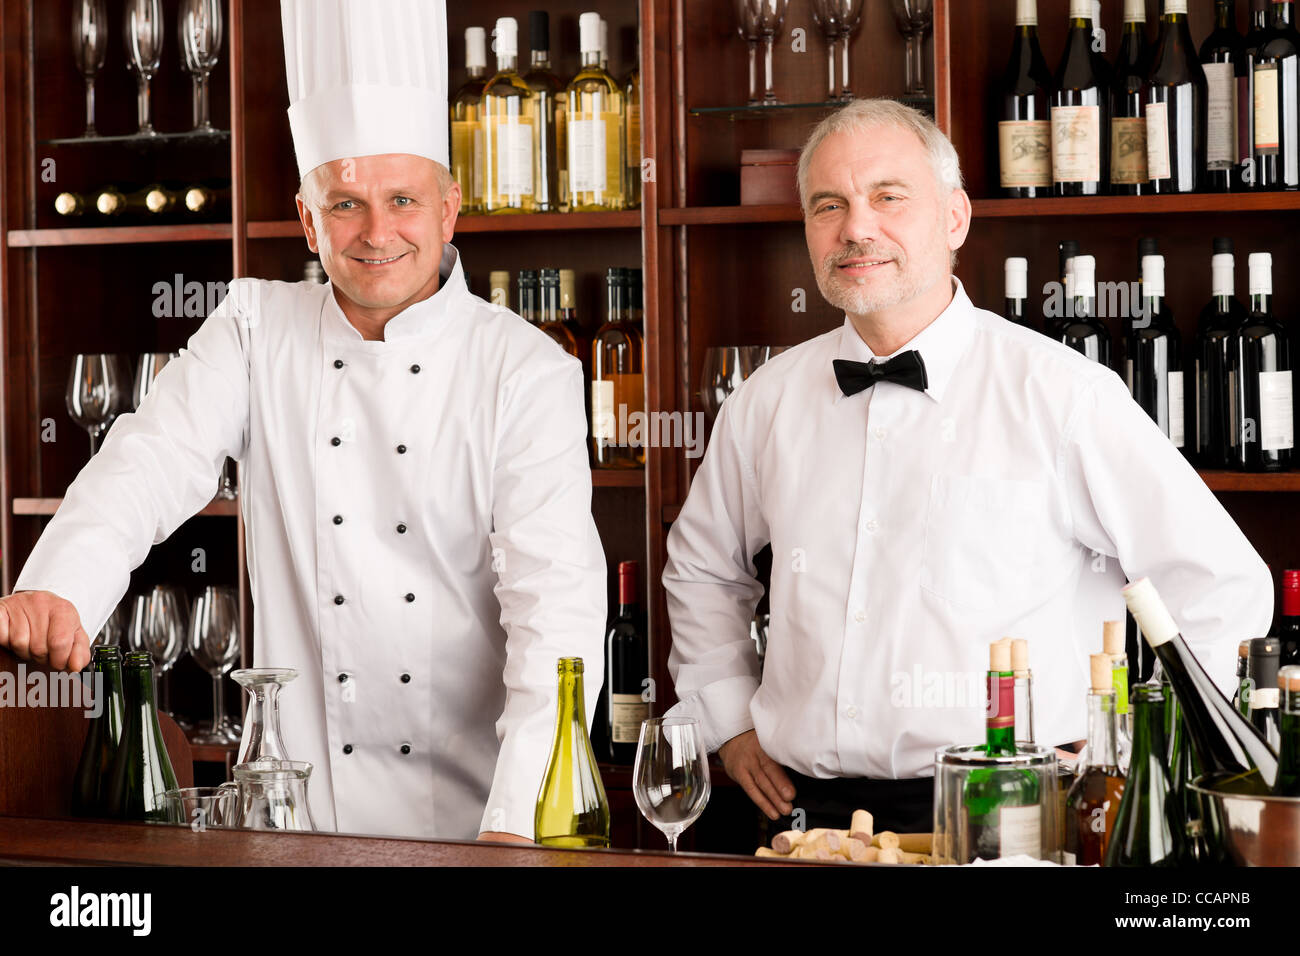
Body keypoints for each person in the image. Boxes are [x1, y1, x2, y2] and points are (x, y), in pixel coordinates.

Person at [0, 0, 605, 843]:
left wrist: (517, 831)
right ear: (306, 218)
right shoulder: (255, 326)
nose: (377, 231)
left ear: (450, 208)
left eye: (402, 198)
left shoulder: (528, 370)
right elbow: (150, 459)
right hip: (293, 831)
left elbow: (557, 612)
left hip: (477, 829)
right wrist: (62, 586)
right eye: (345, 203)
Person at [662, 98, 1271, 835]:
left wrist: (1139, 750)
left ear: (954, 217)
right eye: (830, 205)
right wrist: (727, 719)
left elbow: (1219, 583)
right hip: (801, 819)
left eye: (888, 197)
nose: (857, 227)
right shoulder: (766, 402)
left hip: (1010, 816)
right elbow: (701, 567)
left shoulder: (1063, 395)